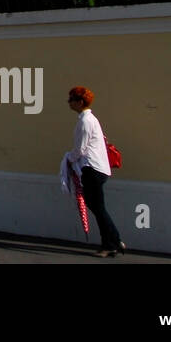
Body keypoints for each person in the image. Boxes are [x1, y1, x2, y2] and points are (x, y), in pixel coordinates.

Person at [63, 85, 124, 257]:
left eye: (71, 100)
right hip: (98, 168)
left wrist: (68, 158)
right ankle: (114, 240)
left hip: (91, 168)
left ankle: (111, 244)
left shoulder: (85, 122)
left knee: (97, 207)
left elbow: (80, 149)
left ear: (80, 102)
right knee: (97, 207)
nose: (69, 103)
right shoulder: (91, 120)